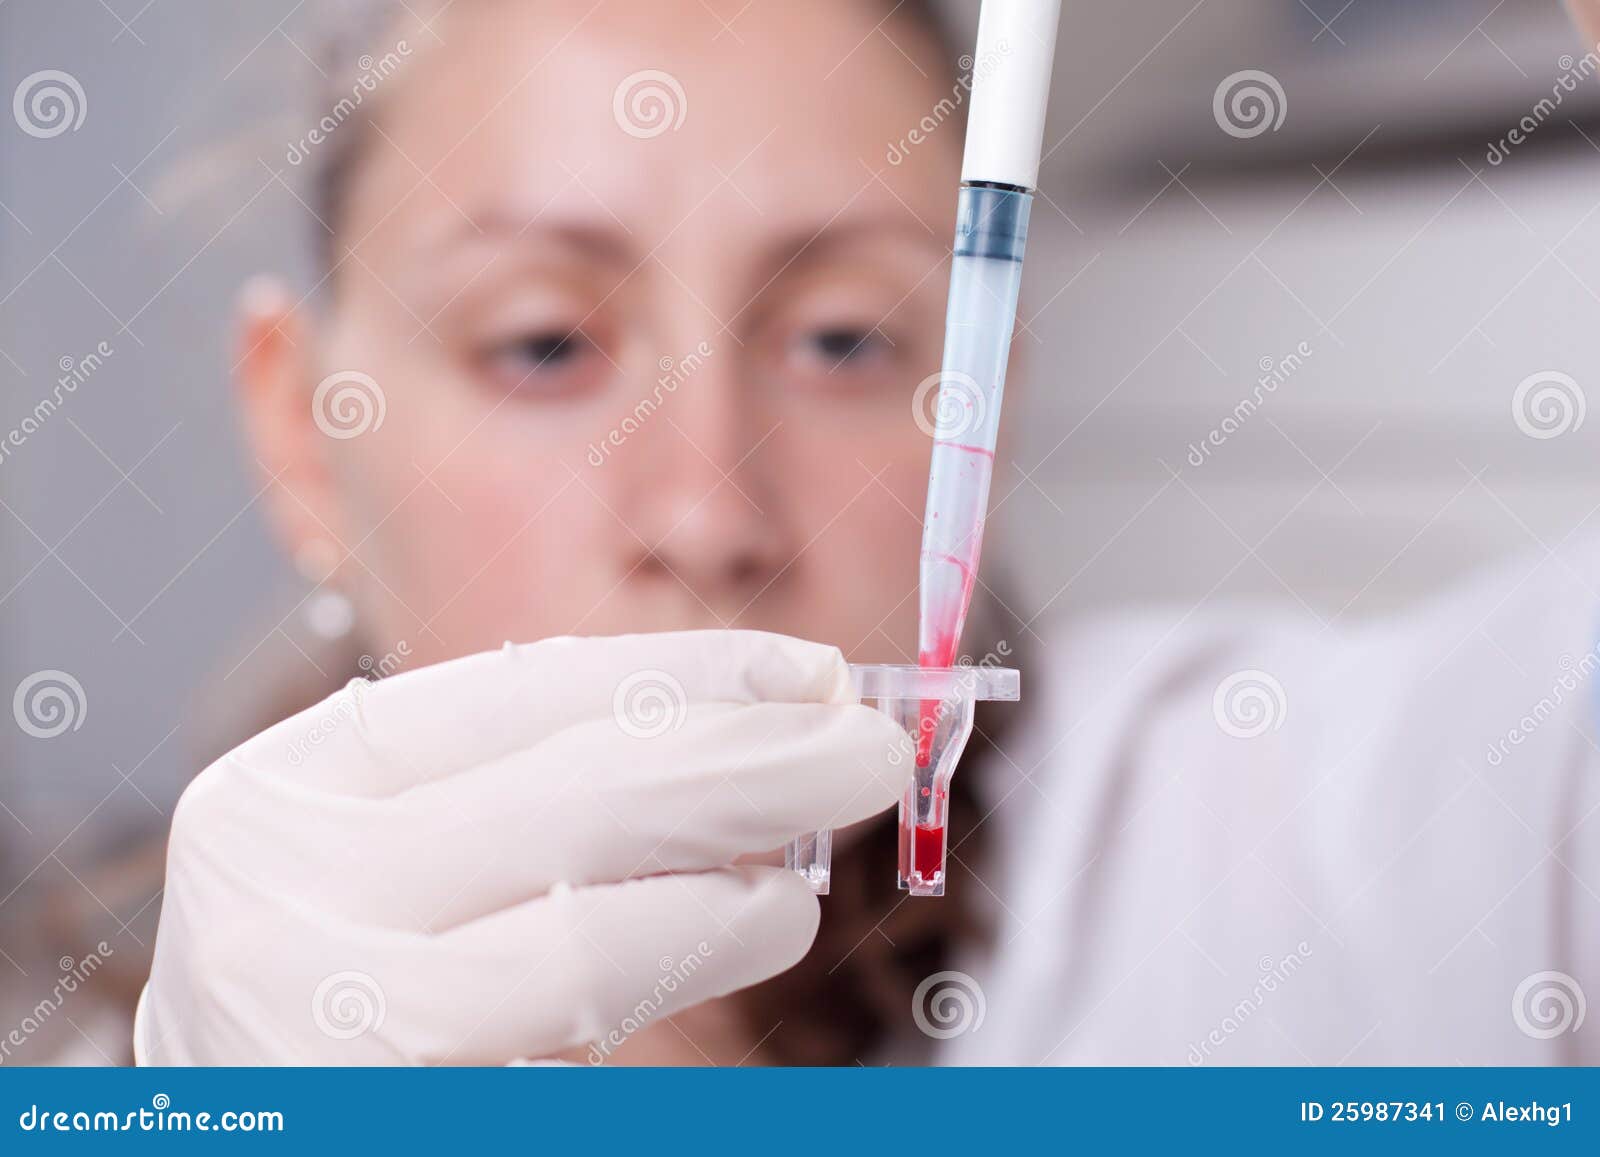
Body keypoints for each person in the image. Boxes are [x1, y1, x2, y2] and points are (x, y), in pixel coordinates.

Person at [136, 0, 1599, 1065]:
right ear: (300, 437)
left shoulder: (1322, 834)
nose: (709, 511)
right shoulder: (168, 1060)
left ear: (987, 402)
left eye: (843, 339)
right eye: (541, 344)